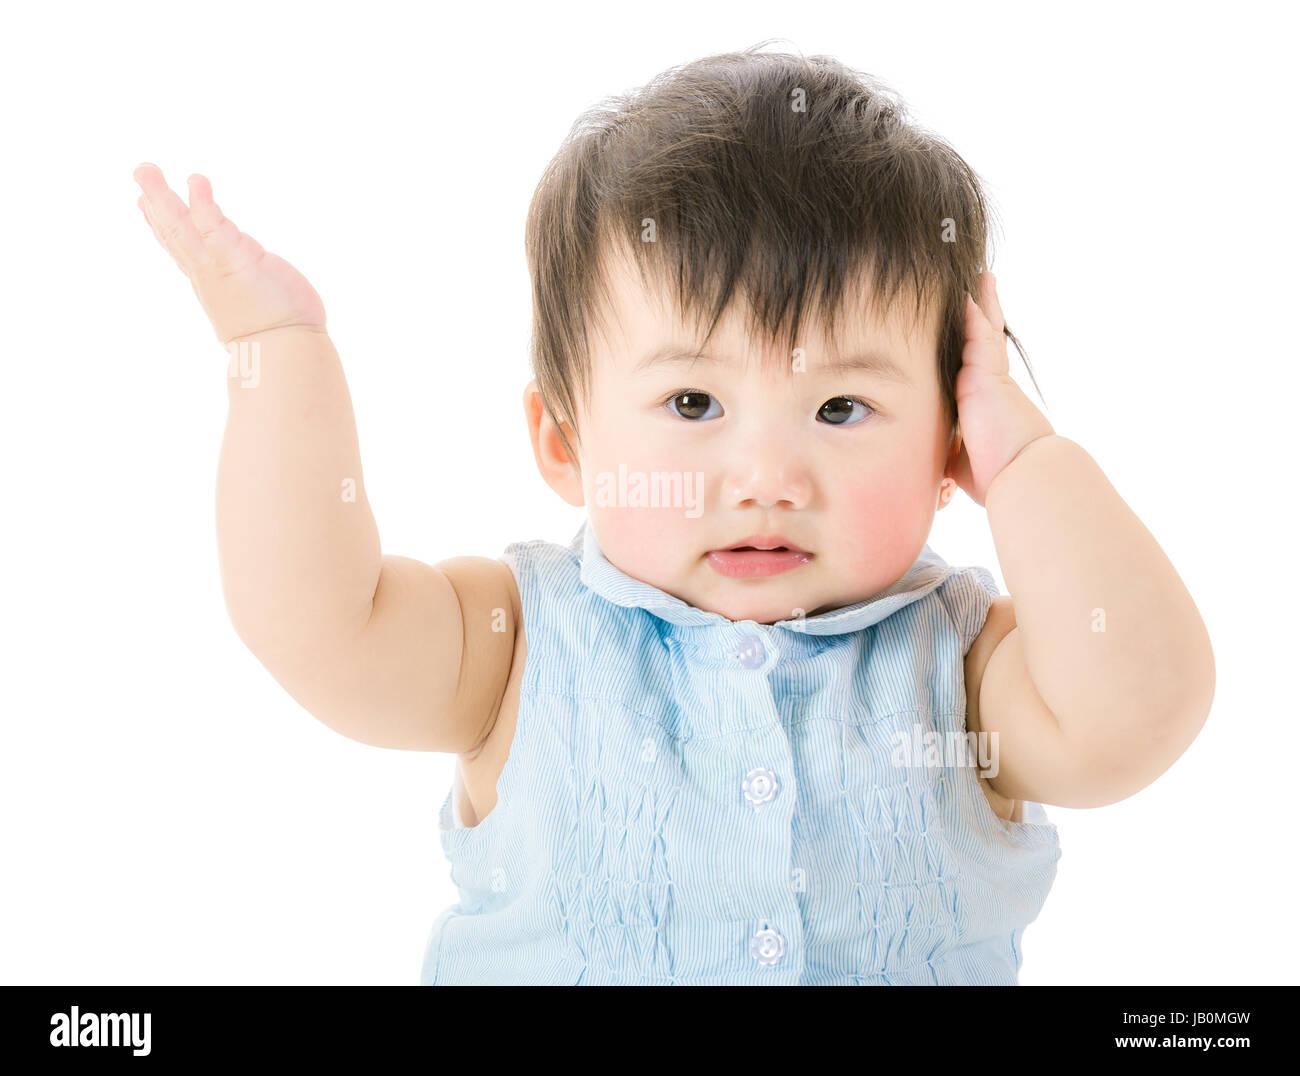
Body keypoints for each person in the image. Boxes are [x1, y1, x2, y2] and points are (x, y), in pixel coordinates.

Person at [133, 46, 1215, 985]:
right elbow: (318, 619)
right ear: (563, 440)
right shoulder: (513, 645)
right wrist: (279, 356)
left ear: (947, 450)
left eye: (842, 406)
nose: (766, 477)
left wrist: (1029, 461)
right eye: (693, 402)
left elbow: (1137, 712)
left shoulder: (965, 670)